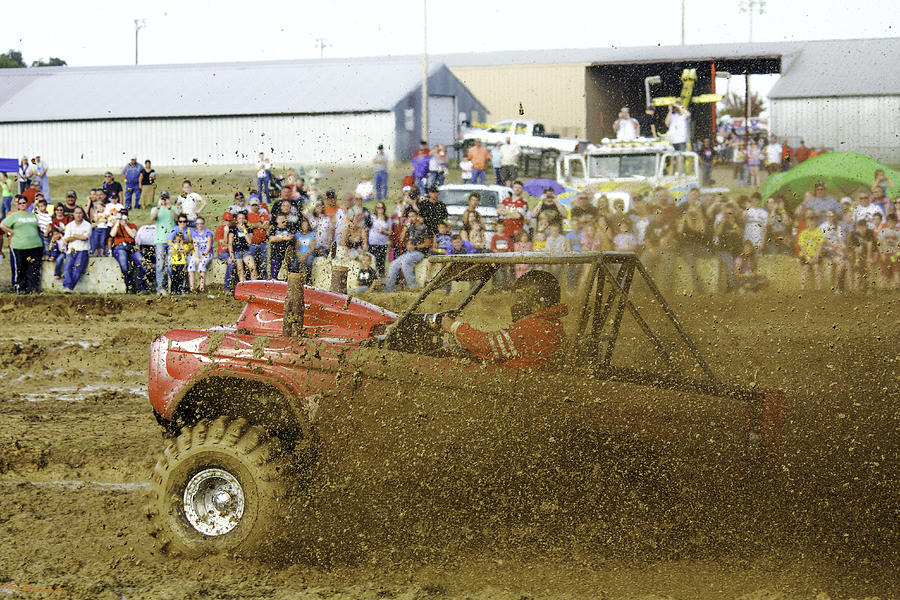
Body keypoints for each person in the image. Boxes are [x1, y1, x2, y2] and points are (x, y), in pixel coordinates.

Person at [437, 270, 568, 370]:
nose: (515, 305)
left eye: (520, 298)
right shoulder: (550, 325)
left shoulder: (535, 327)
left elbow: (486, 345)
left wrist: (454, 326)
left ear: (538, 305)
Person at [1, 195, 44, 293]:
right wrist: (13, 232)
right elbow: (2, 225)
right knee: (21, 267)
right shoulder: (14, 215)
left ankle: (32, 288)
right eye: (20, 203)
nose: (22, 205)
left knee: (33, 268)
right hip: (20, 246)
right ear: (17, 204)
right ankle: (20, 288)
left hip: (35, 245)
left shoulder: (32, 215)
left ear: (27, 203)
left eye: (24, 203)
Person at [385, 213, 432, 292]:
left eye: (412, 216)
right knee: (393, 265)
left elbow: (428, 244)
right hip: (409, 253)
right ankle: (388, 290)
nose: (410, 218)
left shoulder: (424, 227)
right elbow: (401, 239)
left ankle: (413, 287)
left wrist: (415, 247)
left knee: (405, 262)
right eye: (409, 216)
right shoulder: (410, 227)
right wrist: (405, 228)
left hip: (420, 253)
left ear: (417, 217)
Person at [109, 209, 145, 294]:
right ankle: (129, 286)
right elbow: (112, 234)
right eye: (122, 215)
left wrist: (125, 225)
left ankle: (141, 287)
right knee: (124, 267)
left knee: (144, 265)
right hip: (120, 246)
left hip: (131, 246)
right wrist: (118, 221)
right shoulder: (115, 226)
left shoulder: (132, 225)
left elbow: (134, 235)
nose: (123, 217)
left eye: (124, 215)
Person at [150, 191, 178, 294]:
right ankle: (160, 288)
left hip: (171, 240)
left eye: (166, 198)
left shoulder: (173, 208)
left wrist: (170, 207)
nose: (164, 199)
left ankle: (172, 288)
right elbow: (152, 218)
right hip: (160, 241)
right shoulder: (155, 209)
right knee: (160, 265)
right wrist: (158, 207)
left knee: (171, 264)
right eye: (162, 197)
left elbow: (177, 219)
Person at [61, 206, 92, 292]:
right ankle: (67, 286)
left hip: (83, 250)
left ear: (83, 214)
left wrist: (73, 235)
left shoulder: (87, 225)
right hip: (71, 250)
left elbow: (85, 238)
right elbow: (66, 239)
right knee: (67, 268)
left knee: (77, 269)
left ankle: (69, 287)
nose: (78, 215)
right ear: (73, 214)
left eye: (80, 213)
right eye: (76, 213)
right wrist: (79, 236)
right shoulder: (69, 225)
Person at [189, 216, 215, 293]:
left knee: (201, 265)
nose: (200, 225)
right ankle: (192, 288)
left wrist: (201, 258)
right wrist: (197, 258)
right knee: (191, 266)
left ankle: (202, 287)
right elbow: (195, 246)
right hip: (199, 252)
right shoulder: (194, 233)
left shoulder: (208, 232)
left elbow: (208, 247)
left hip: (207, 252)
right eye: (198, 224)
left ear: (204, 224)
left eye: (201, 223)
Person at [229, 211, 257, 282]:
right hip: (236, 251)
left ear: (245, 219)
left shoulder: (248, 228)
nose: (241, 220)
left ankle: (254, 284)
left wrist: (244, 230)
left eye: (243, 218)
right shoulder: (233, 228)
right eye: (239, 218)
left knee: (252, 267)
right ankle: (243, 286)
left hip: (246, 251)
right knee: (240, 270)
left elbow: (249, 241)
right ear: (237, 219)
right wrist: (231, 254)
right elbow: (230, 243)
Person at [247, 198, 270, 278]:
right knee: (253, 265)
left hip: (263, 243)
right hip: (252, 243)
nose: (255, 207)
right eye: (253, 205)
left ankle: (263, 281)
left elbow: (266, 225)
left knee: (263, 264)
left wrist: (254, 225)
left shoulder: (263, 214)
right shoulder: (248, 215)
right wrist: (260, 225)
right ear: (250, 206)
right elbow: (248, 225)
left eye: (256, 205)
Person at [368, 202, 390, 277]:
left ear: (384, 208)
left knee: (381, 263)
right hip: (372, 243)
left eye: (381, 207)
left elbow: (390, 232)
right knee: (373, 261)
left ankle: (382, 280)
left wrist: (384, 231)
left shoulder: (387, 219)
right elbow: (366, 227)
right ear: (376, 208)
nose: (380, 209)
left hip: (383, 244)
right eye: (378, 207)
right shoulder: (372, 217)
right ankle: (371, 279)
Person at [215, 212, 236, 291]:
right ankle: (227, 287)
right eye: (227, 221)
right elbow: (223, 245)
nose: (228, 223)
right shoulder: (220, 229)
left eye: (230, 221)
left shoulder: (234, 228)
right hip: (223, 253)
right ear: (223, 221)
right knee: (231, 263)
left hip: (232, 251)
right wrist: (226, 233)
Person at [268, 214, 294, 280]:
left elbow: (290, 237)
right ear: (277, 220)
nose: (282, 220)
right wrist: (284, 237)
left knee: (288, 275)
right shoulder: (273, 228)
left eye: (283, 219)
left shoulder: (289, 228)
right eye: (280, 219)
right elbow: (271, 239)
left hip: (287, 255)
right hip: (276, 254)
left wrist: (278, 237)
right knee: (274, 275)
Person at [293, 216, 317, 281]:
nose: (305, 227)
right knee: (294, 264)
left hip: (309, 253)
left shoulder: (312, 234)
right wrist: (300, 256)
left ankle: (308, 279)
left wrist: (304, 256)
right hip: (300, 254)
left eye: (306, 225)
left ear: (308, 226)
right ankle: (296, 278)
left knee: (309, 262)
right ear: (301, 226)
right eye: (303, 225)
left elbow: (312, 248)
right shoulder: (298, 235)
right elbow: (296, 248)